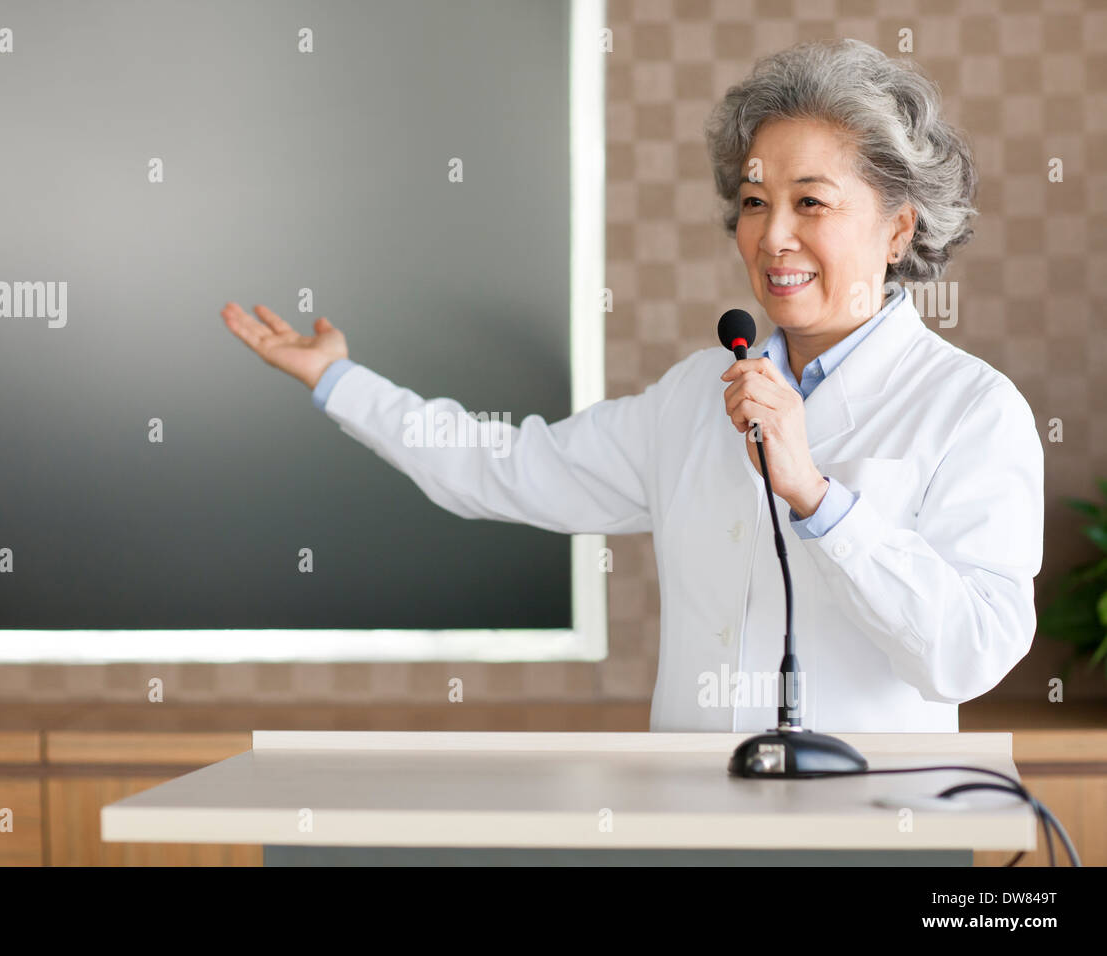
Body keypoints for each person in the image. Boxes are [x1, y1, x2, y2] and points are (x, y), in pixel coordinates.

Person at [220, 39, 1043, 734]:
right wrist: (338, 380)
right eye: (754, 201)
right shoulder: (696, 394)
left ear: (898, 228)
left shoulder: (972, 409)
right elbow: (502, 466)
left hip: (874, 835)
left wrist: (820, 499)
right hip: (688, 830)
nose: (773, 234)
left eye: (811, 202)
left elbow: (971, 655)